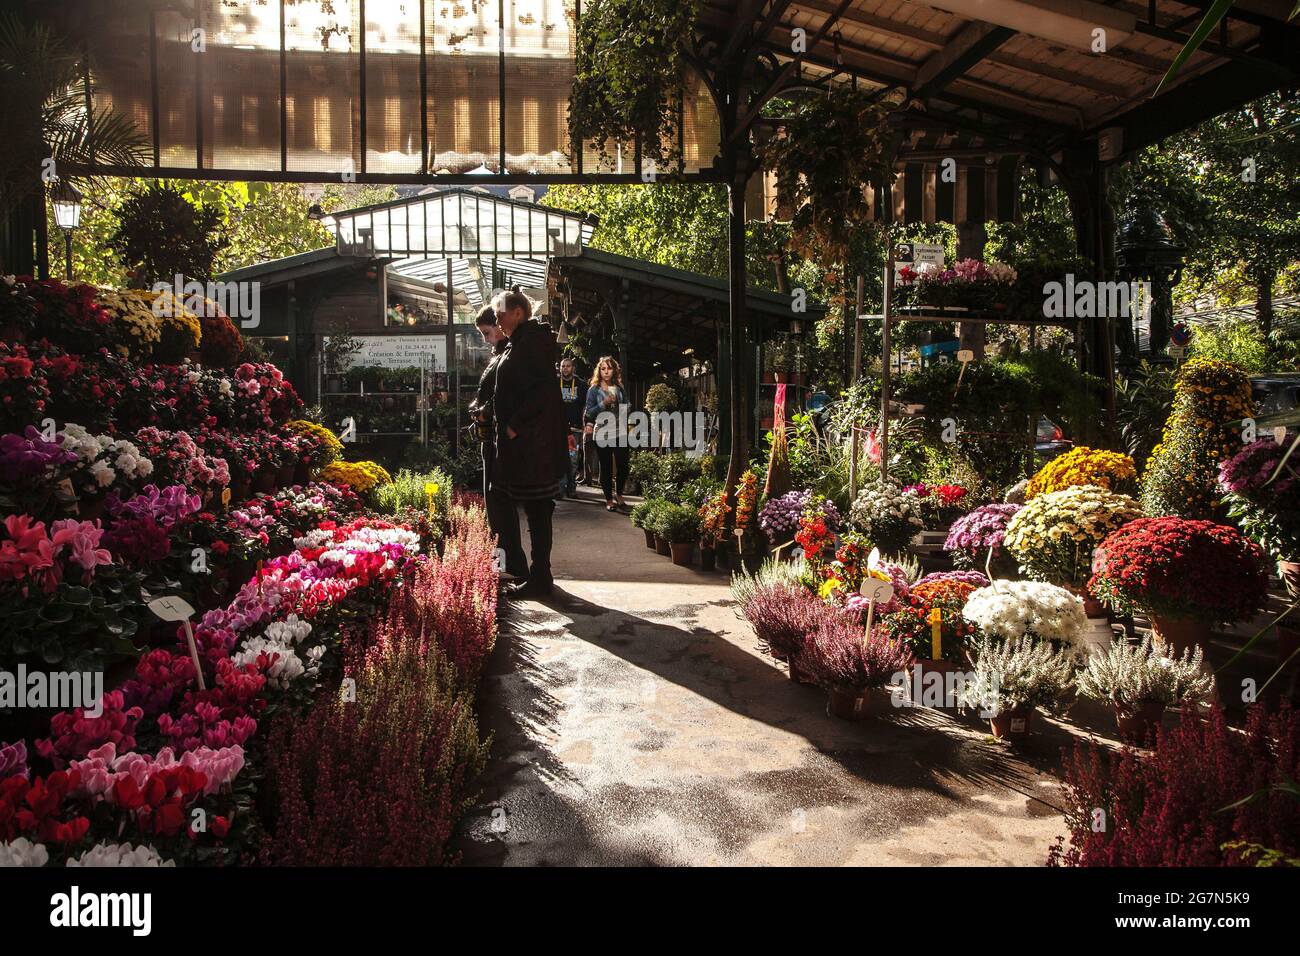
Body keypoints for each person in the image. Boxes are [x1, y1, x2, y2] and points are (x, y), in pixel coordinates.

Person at [490, 286, 567, 598]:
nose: (497, 321)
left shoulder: (530, 343)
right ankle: (539, 575)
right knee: (536, 509)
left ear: (518, 313)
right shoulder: (520, 342)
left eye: (500, 314)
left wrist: (513, 426)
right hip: (528, 444)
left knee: (537, 508)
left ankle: (540, 576)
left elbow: (542, 393)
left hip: (533, 445)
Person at [468, 306, 528, 582]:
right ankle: (508, 563)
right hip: (492, 438)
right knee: (497, 504)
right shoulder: (501, 356)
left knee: (499, 503)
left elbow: (504, 397)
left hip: (497, 440)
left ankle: (509, 566)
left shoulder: (507, 356)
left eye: (487, 332)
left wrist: (484, 410)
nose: (484, 338)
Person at [584, 356, 630, 512]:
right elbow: (589, 411)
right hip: (602, 432)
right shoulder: (594, 389)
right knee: (606, 467)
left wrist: (624, 406)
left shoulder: (619, 386)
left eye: (609, 368)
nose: (606, 372)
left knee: (624, 465)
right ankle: (609, 499)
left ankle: (619, 493)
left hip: (620, 431)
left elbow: (625, 407)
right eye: (603, 368)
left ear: (614, 370)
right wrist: (603, 403)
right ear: (599, 370)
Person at [558, 357, 585, 499]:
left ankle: (572, 488)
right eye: (563, 366)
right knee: (559, 458)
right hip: (558, 429)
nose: (565, 369)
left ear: (573, 368)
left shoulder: (581, 384)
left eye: (568, 366)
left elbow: (586, 406)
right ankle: (560, 490)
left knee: (573, 460)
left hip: (575, 429)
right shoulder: (555, 383)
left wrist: (586, 423)